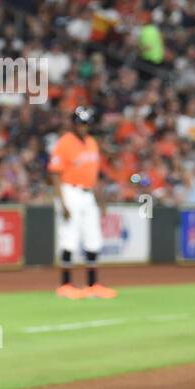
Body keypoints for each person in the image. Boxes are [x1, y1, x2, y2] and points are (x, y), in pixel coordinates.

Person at [48, 105, 116, 298]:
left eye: (86, 124)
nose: (83, 127)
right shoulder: (65, 142)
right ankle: (65, 284)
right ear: (73, 124)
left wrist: (100, 201)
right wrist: (62, 202)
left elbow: (94, 175)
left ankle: (93, 284)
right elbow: (54, 174)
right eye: (80, 123)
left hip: (88, 193)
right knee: (69, 237)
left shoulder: (91, 142)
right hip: (70, 190)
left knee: (93, 237)